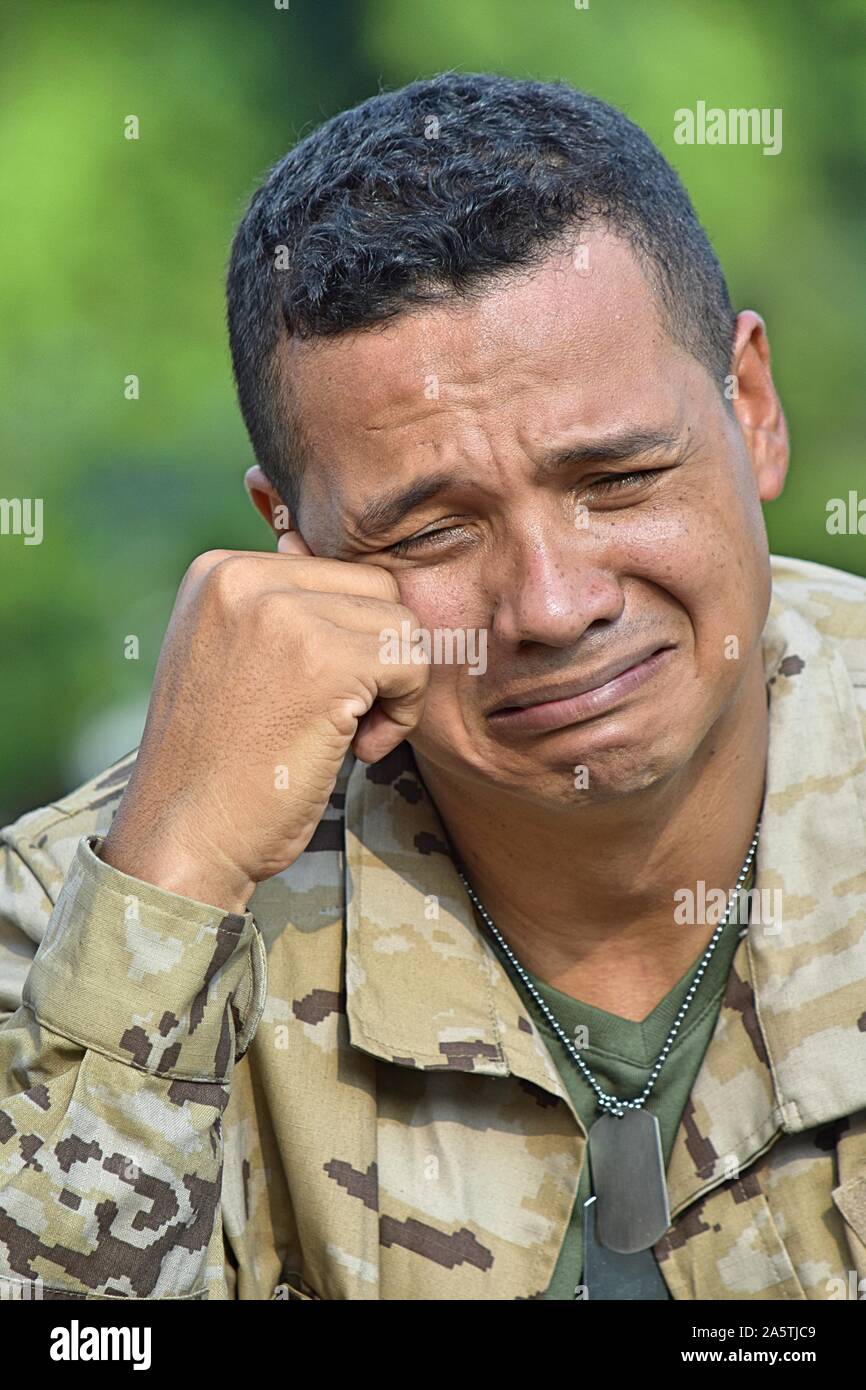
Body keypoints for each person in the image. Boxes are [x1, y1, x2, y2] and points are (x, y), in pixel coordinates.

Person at [1, 71, 865, 1302]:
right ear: (291, 545)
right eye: (430, 534)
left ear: (753, 409)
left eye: (615, 478)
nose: (554, 604)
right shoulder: (75, 921)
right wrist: (173, 889)